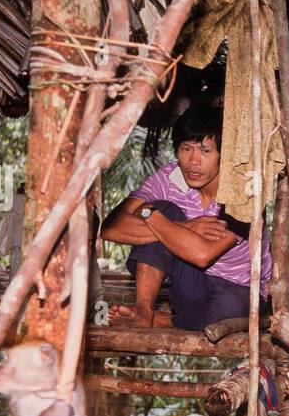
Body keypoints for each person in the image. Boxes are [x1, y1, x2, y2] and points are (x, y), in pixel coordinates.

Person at [100, 110, 272, 330]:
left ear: (224, 154)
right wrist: (177, 223)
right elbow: (110, 229)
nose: (193, 161)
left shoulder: (242, 190)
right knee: (162, 210)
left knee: (231, 308)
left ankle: (164, 321)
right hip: (190, 285)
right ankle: (143, 311)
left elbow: (203, 255)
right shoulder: (169, 178)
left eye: (205, 151)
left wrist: (153, 218)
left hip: (239, 289)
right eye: (186, 148)